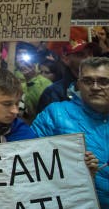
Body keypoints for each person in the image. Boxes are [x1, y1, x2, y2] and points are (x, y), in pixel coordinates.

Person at [31, 56, 109, 206]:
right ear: (79, 84)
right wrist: (71, 169)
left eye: (104, 81)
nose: (95, 87)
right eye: (87, 81)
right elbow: (29, 161)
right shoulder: (55, 115)